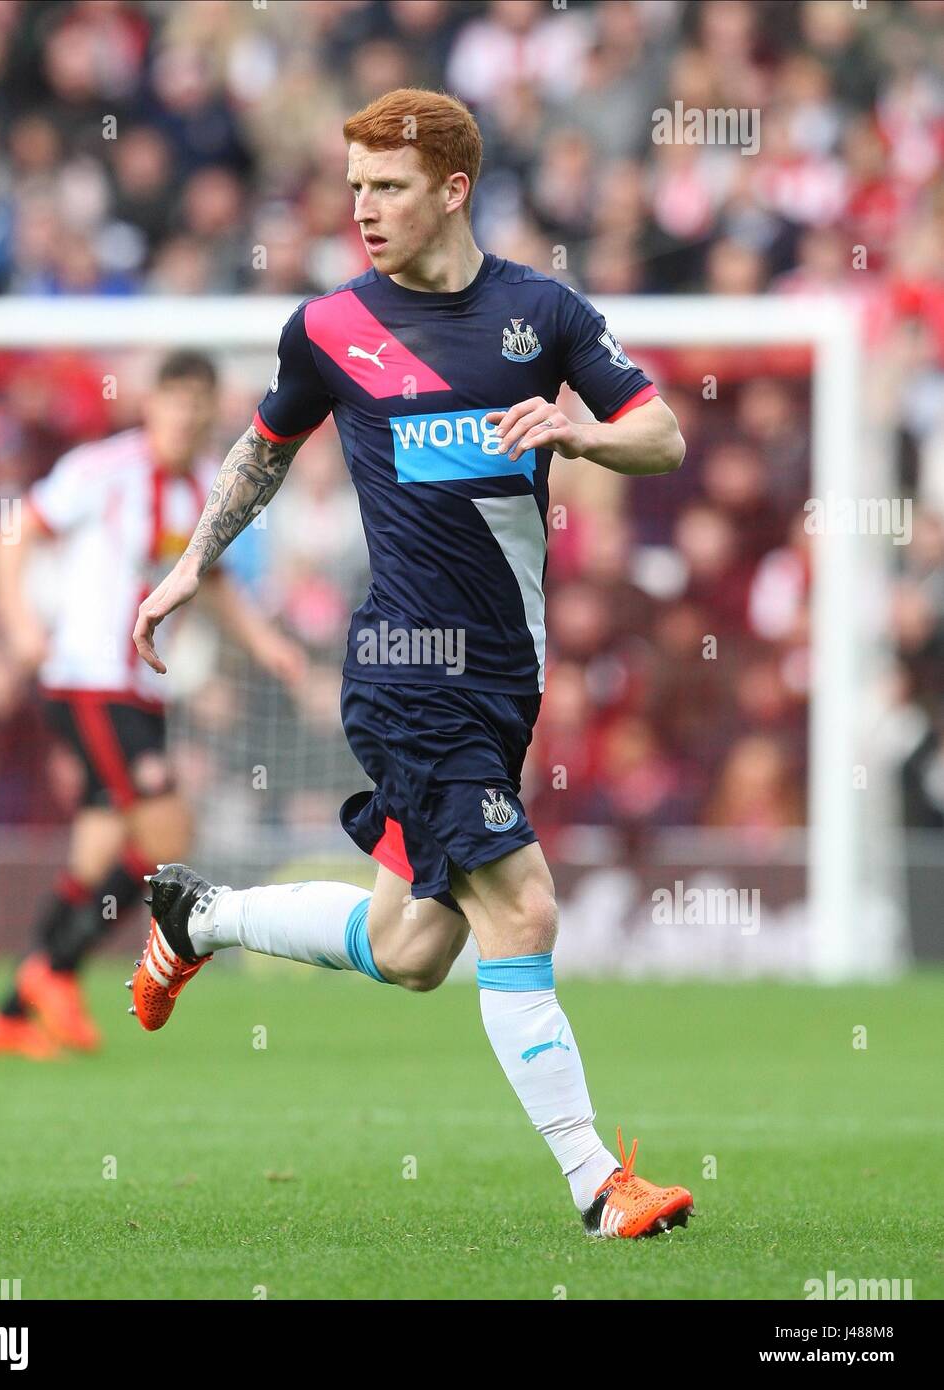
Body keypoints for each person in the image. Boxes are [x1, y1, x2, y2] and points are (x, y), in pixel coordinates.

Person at [130, 90, 693, 1240]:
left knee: (412, 947)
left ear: (451, 189)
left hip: (504, 681)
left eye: (385, 187)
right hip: (404, 668)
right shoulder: (330, 327)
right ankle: (597, 1183)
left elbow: (662, 432)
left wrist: (577, 431)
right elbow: (263, 445)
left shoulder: (541, 313)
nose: (361, 210)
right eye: (351, 187)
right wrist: (194, 561)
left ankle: (201, 916)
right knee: (522, 909)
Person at [0, 351, 305, 1059]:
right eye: (174, 398)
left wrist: (266, 644)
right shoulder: (104, 469)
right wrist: (21, 625)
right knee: (167, 837)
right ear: (151, 403)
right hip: (91, 677)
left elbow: (209, 585)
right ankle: (54, 974)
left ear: (212, 408)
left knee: (98, 852)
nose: (184, 413)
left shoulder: (198, 492)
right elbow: (15, 532)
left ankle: (10, 1013)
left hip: (143, 689)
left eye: (198, 400)